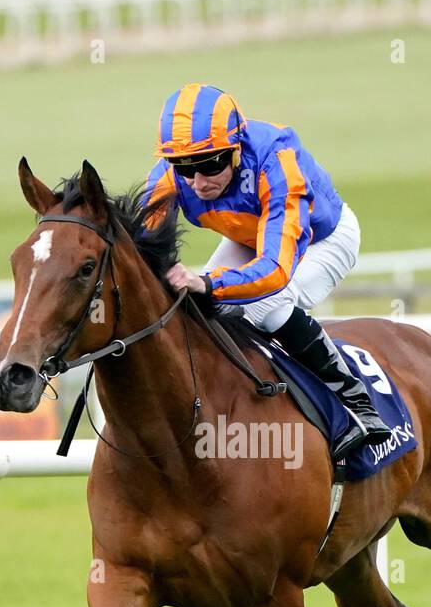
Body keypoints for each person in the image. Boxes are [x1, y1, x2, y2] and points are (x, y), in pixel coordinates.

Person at [140, 82, 391, 461]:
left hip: (322, 238)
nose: (197, 182)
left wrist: (208, 283)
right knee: (194, 313)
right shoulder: (172, 171)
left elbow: (274, 271)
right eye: (184, 168)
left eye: (210, 165)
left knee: (266, 306)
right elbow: (142, 240)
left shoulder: (277, 161)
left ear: (236, 148)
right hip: (251, 234)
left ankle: (356, 404)